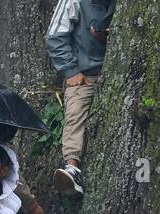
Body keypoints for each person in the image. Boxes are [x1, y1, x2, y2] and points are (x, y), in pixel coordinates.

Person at [47, 0, 115, 195]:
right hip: (84, 76)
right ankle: (72, 168)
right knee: (75, 114)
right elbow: (54, 37)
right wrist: (71, 70)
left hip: (114, 74)